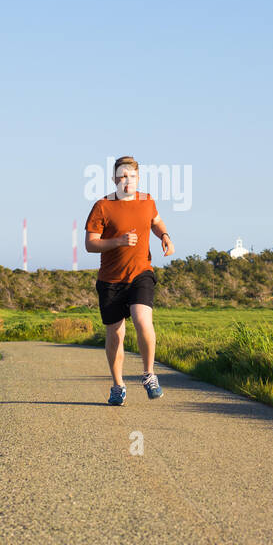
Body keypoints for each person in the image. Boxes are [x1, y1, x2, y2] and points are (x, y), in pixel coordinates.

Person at [84, 156, 174, 405]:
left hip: (140, 273)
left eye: (131, 177)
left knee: (142, 318)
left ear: (137, 179)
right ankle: (117, 385)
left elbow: (156, 221)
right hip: (111, 280)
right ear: (114, 179)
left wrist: (164, 235)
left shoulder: (147, 201)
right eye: (122, 177)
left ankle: (149, 375)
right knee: (115, 334)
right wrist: (118, 242)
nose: (126, 182)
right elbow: (90, 244)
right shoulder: (102, 206)